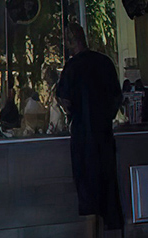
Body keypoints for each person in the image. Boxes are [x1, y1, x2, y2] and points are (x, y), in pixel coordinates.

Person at [56, 22, 124, 231]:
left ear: (69, 41)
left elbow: (64, 100)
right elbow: (116, 98)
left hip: (83, 138)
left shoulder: (72, 67)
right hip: (104, 135)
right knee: (108, 189)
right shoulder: (105, 62)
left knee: (87, 194)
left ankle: (92, 232)